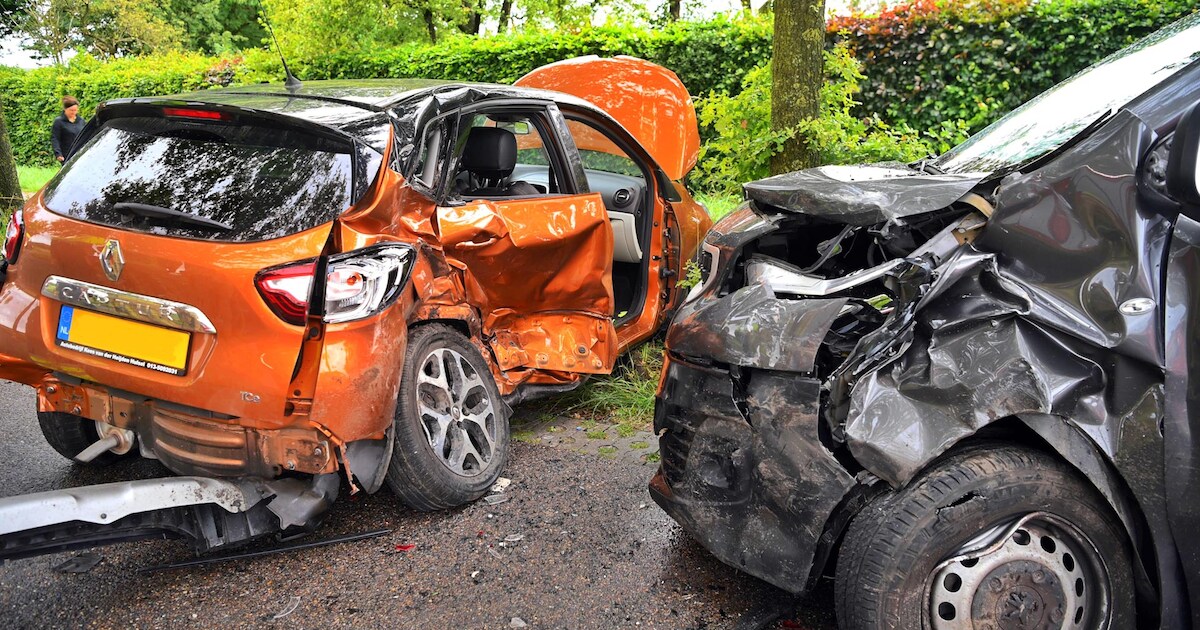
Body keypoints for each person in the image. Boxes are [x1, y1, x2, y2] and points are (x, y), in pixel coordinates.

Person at [51, 96, 87, 165]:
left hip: (80, 153)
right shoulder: (59, 122)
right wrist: (58, 154)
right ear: (65, 109)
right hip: (67, 155)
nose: (73, 112)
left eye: (75, 110)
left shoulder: (81, 121)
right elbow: (55, 139)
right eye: (71, 110)